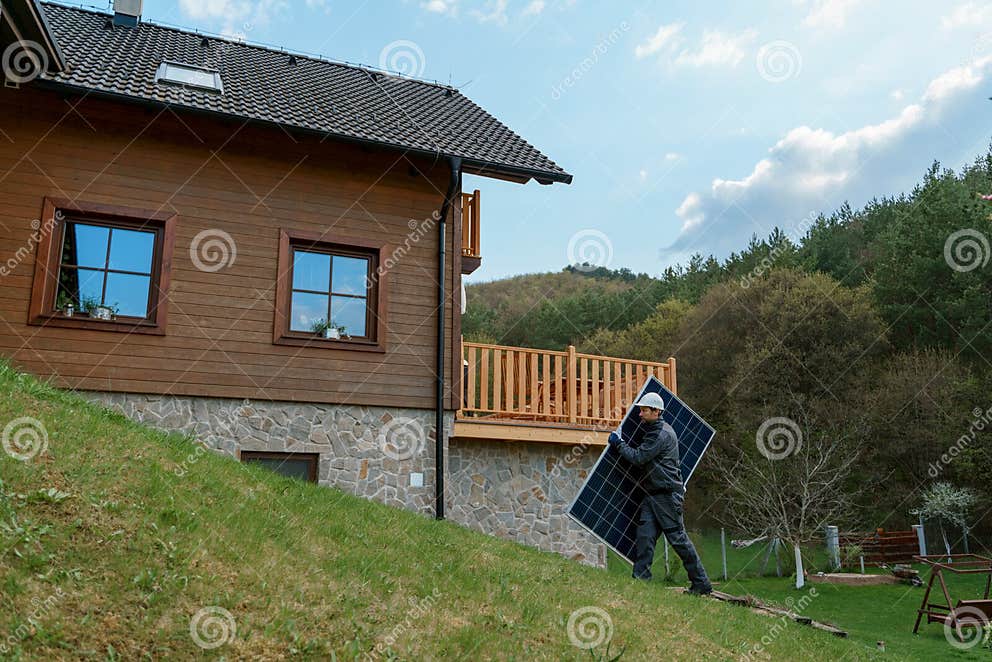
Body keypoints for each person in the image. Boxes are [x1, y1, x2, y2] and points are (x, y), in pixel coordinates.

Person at [608, 392, 712, 595]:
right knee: (644, 537)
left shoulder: (660, 434)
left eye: (644, 410)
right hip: (653, 495)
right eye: (640, 410)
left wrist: (618, 443)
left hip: (666, 497)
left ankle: (701, 583)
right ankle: (640, 583)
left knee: (678, 540)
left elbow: (638, 457)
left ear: (656, 411)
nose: (640, 414)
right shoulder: (656, 430)